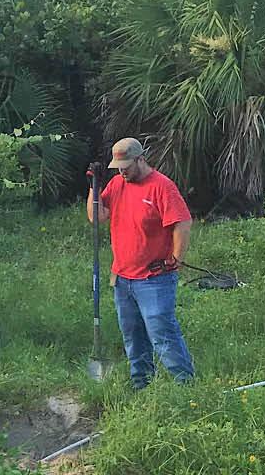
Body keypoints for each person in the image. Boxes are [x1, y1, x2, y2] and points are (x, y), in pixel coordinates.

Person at [86, 137, 195, 389]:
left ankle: (185, 385)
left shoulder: (161, 187)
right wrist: (94, 184)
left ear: (140, 159)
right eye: (118, 167)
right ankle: (141, 384)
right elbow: (97, 216)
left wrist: (175, 259)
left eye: (126, 166)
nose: (122, 171)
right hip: (123, 278)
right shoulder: (116, 184)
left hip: (154, 278)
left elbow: (183, 222)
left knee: (162, 334)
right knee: (132, 335)